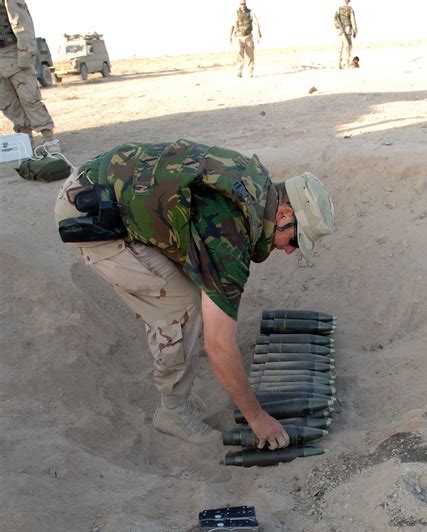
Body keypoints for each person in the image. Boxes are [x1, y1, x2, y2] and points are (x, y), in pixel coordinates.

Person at [54, 139, 334, 448]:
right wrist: (257, 418)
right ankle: (172, 410)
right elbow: (220, 346)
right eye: (295, 239)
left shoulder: (255, 182)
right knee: (180, 308)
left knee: (195, 295)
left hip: (104, 181)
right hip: (90, 214)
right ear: (282, 215)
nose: (290, 250)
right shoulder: (230, 233)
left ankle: (184, 355)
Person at [0, 0, 55, 144]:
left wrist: (25, 55)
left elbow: (21, 24)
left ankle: (50, 140)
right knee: (8, 104)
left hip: (12, 54)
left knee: (30, 99)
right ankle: (26, 142)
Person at [229, 0, 262, 78]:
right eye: (241, 4)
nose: (243, 5)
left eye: (244, 4)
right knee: (239, 54)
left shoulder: (250, 12)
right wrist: (230, 36)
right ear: (239, 4)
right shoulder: (236, 14)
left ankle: (250, 71)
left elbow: (256, 22)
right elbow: (232, 25)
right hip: (239, 37)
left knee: (250, 55)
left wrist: (258, 33)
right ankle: (239, 72)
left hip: (248, 37)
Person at [334, 0, 358, 70]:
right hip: (347, 29)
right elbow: (353, 20)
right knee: (348, 47)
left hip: (340, 30)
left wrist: (337, 27)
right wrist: (355, 31)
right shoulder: (350, 9)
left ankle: (338, 64)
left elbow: (334, 19)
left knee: (340, 47)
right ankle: (346, 64)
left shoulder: (338, 8)